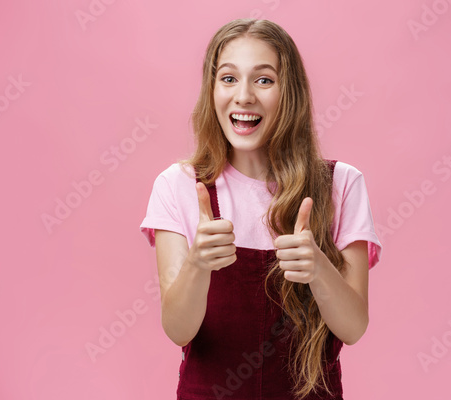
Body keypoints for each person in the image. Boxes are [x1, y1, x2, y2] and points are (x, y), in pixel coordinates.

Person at [138, 18, 383, 400]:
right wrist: (198, 265)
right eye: (229, 78)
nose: (244, 96)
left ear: (291, 93)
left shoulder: (341, 184)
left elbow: (353, 328)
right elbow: (177, 329)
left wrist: (319, 268)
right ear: (212, 89)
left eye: (264, 80)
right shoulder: (178, 186)